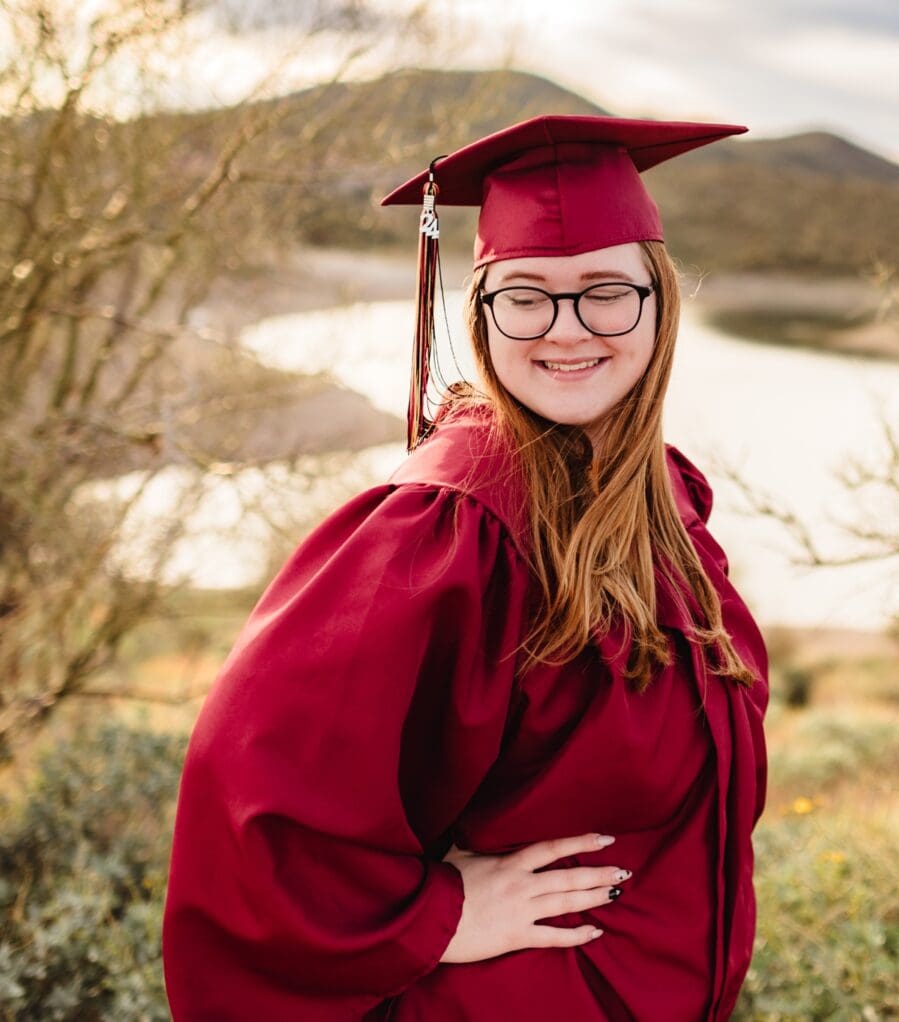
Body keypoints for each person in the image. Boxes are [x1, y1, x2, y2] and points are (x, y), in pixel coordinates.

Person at [161, 114, 771, 1021]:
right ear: (483, 314)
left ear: (661, 303)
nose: (566, 331)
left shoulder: (663, 505)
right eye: (525, 296)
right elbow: (252, 789)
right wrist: (438, 918)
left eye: (606, 291)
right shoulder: (450, 526)